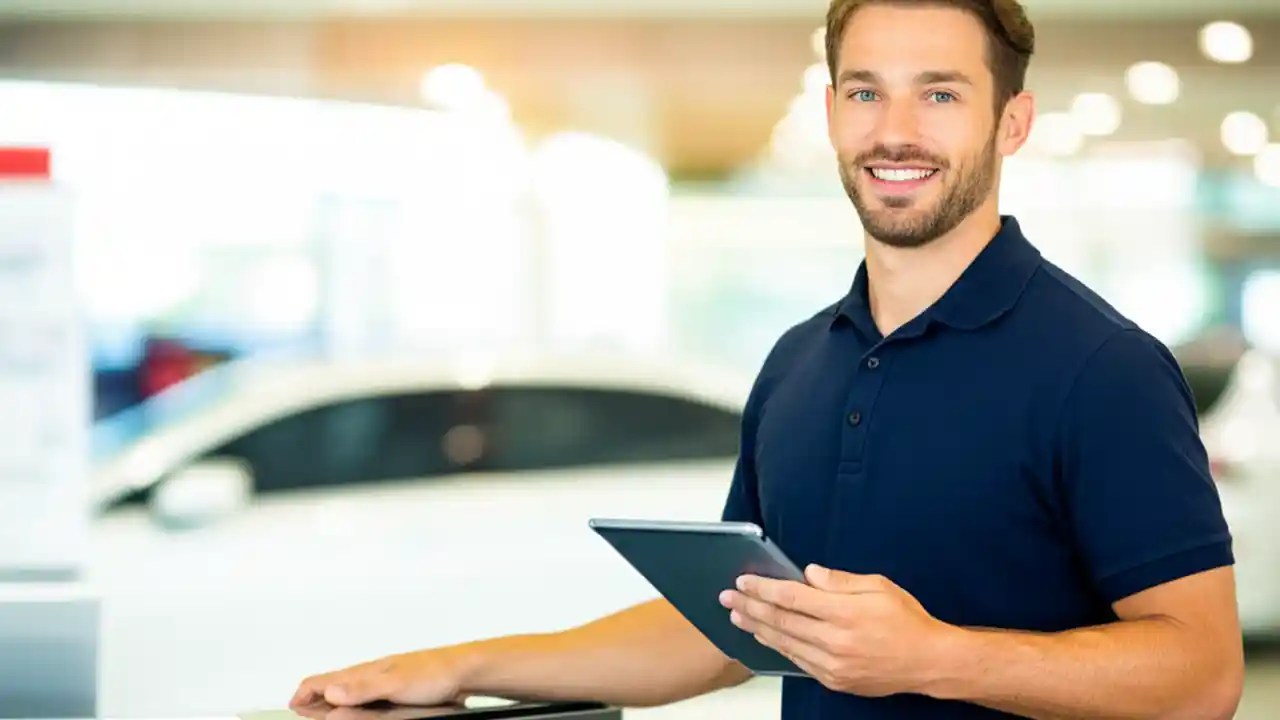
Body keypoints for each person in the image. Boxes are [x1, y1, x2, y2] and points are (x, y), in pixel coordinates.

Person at [291, 1, 1245, 717]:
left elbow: (1204, 678)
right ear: (832, 112)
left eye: (941, 93)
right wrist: (461, 666)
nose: (894, 130)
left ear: (1013, 123)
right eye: (866, 91)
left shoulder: (1102, 367)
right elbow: (730, 631)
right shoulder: (801, 362)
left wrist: (932, 657)